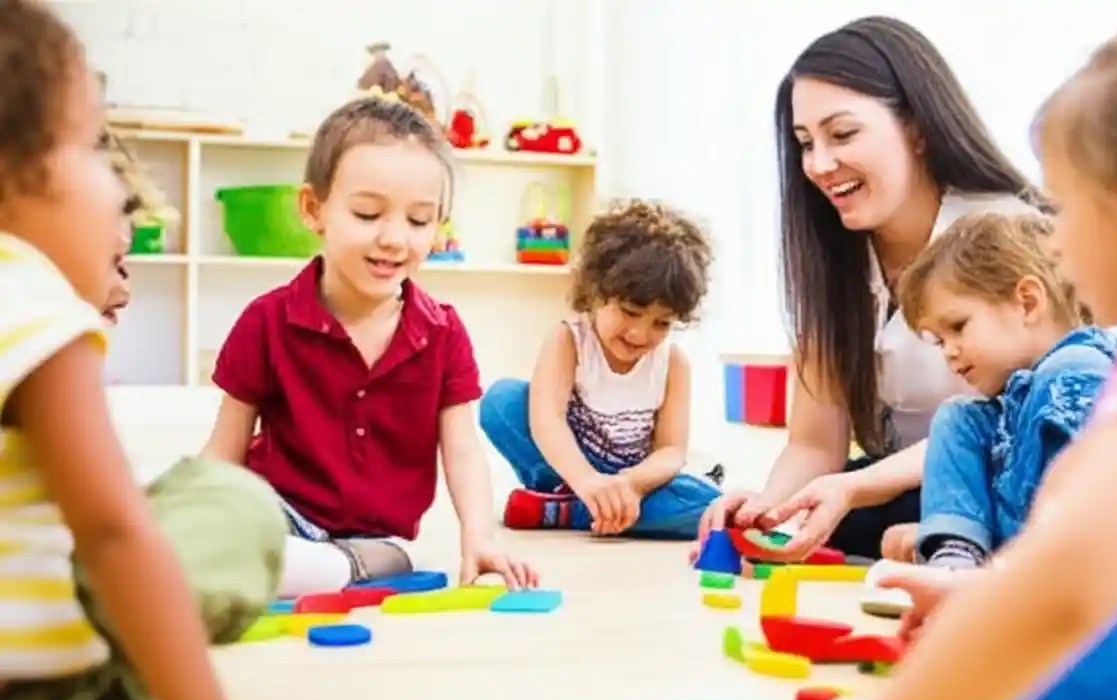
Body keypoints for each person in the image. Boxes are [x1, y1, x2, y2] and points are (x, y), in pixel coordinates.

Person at [840, 14, 1117, 700]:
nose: (1053, 244)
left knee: (1067, 657)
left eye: (1063, 208)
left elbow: (1075, 575)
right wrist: (1000, 586)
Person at [0, 2, 285, 700]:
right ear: (19, 172)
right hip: (50, 695)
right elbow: (112, 533)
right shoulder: (32, 305)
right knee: (231, 502)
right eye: (91, 146)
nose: (115, 185)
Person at [695, 15, 1046, 561]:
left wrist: (855, 489)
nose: (819, 164)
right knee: (818, 516)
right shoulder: (834, 258)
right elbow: (815, 444)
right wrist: (769, 511)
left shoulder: (1003, 234)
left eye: (843, 134)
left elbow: (1010, 425)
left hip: (998, 477)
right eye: (804, 143)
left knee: (875, 512)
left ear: (918, 128)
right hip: (898, 484)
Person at [200, 95, 537, 596]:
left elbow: (463, 451)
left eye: (419, 221)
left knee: (392, 558)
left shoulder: (442, 332)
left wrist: (480, 537)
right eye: (367, 213)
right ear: (314, 209)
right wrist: (190, 513)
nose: (394, 238)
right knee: (204, 518)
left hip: (379, 544)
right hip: (277, 516)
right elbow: (223, 451)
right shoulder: (266, 321)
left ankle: (310, 570)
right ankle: (287, 565)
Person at [480, 199, 722, 540]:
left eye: (661, 323)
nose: (640, 333)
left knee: (709, 505)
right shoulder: (569, 341)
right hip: (571, 468)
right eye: (629, 312)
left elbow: (670, 452)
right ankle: (581, 500)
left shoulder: (673, 364)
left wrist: (629, 485)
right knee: (501, 401)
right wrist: (587, 481)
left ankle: (568, 511)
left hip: (634, 481)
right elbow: (547, 421)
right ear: (595, 292)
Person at [895, 212, 1117, 569]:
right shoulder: (1014, 400)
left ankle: (965, 567)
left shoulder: (1075, 370)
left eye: (958, 326)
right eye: (939, 340)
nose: (949, 352)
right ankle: (956, 551)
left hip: (1065, 564)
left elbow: (1084, 508)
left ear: (1028, 302)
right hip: (1019, 552)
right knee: (959, 416)